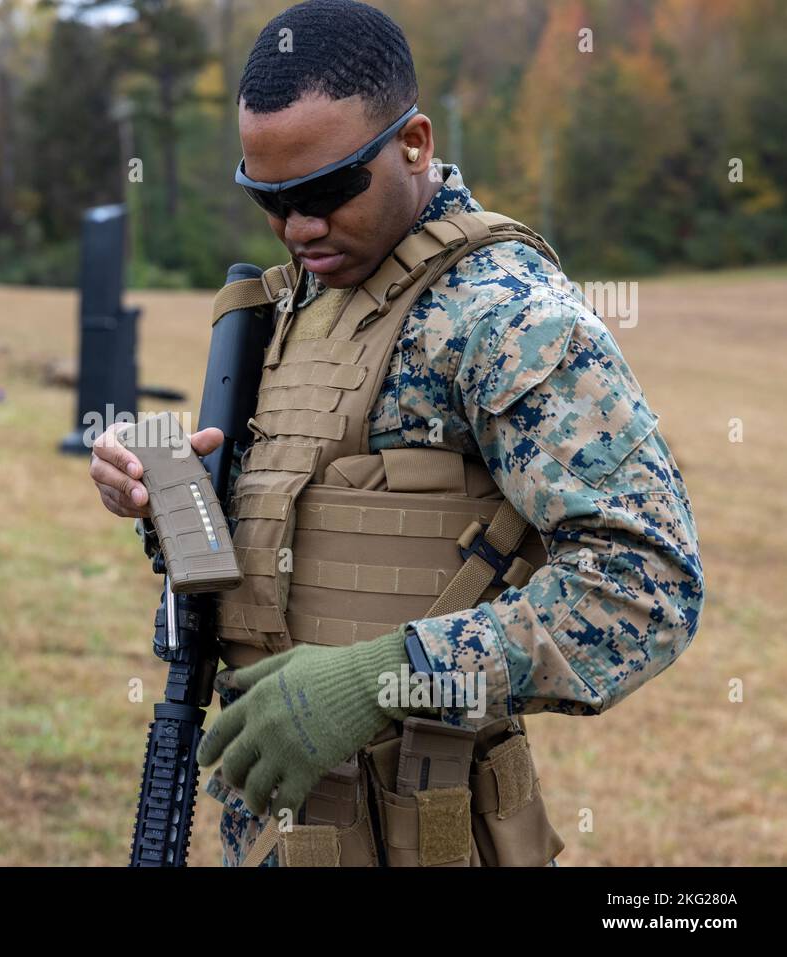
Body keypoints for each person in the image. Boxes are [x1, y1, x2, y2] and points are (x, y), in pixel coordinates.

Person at [88, 0, 703, 868]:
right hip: (270, 826)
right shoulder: (296, 301)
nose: (298, 227)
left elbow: (647, 588)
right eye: (270, 199)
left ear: (413, 143)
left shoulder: (506, 316)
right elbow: (289, 530)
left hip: (422, 829)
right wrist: (161, 497)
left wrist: (385, 679)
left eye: (326, 192)